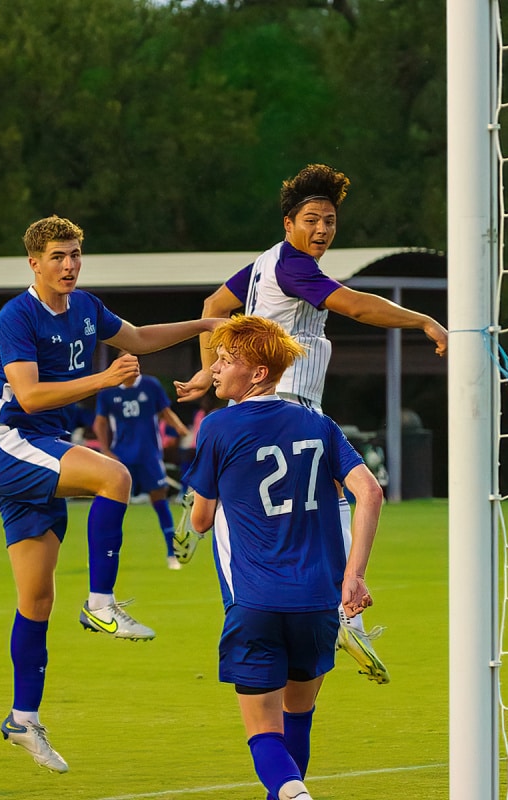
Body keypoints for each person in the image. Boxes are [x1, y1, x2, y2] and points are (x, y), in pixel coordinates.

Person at [174, 163, 448, 684]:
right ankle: (304, 616)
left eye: (330, 221)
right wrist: (423, 319)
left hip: (289, 411)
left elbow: (214, 307)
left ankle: (345, 615)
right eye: (311, 219)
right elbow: (358, 308)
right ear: (288, 224)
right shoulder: (293, 268)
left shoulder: (266, 264)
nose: (322, 229)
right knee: (308, 510)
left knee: (333, 507)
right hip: (280, 409)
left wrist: (210, 370)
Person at [0, 215, 221, 773]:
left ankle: (22, 718)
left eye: (75, 255)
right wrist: (104, 381)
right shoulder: (16, 316)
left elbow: (137, 340)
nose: (69, 265)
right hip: (11, 441)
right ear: (34, 263)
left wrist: (208, 322)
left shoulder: (86, 307)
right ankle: (101, 605)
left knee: (36, 602)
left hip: (40, 447)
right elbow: (32, 396)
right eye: (58, 257)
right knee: (116, 476)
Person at [184, 315, 383, 800]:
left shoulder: (218, 426)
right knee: (299, 717)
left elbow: (201, 521)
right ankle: (292, 792)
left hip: (254, 601)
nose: (214, 369)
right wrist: (354, 575)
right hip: (319, 602)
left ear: (257, 374)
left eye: (226, 361)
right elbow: (370, 492)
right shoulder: (318, 423)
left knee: (263, 731)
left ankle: (294, 794)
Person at [94, 366, 190, 569]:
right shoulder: (108, 391)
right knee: (112, 506)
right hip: (122, 456)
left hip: (149, 455)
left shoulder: (150, 385)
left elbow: (165, 412)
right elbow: (99, 423)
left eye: (136, 364)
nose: (134, 369)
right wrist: (105, 450)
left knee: (160, 501)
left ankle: (172, 554)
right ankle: (100, 554)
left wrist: (180, 427)